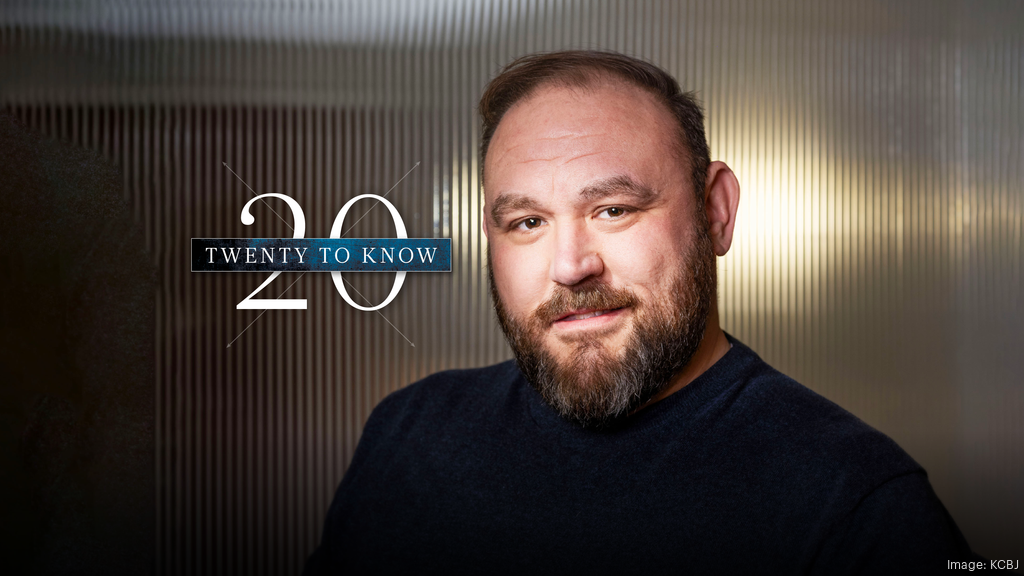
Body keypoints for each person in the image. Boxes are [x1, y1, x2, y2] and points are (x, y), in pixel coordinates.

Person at [304, 50, 975, 574]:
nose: (571, 266)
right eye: (528, 222)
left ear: (716, 212)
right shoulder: (409, 436)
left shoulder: (859, 504)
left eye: (614, 210)